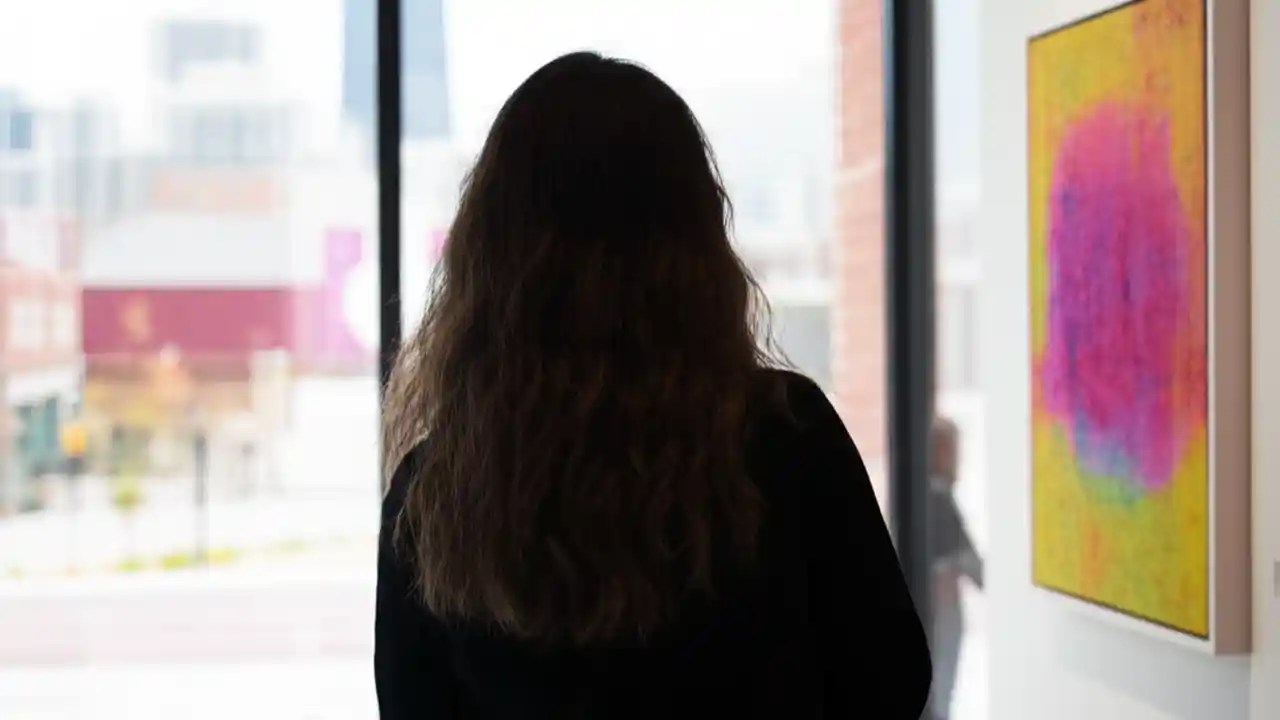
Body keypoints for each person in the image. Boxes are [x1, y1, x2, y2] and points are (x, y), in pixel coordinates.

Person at [376, 51, 930, 718]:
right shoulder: (788, 435)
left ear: (490, 253)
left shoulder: (440, 487)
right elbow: (890, 677)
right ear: (697, 241)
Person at [929, 416, 983, 720]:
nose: (958, 459)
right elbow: (970, 562)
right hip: (941, 613)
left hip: (933, 613)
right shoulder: (938, 499)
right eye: (953, 450)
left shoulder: (918, 497)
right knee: (941, 697)